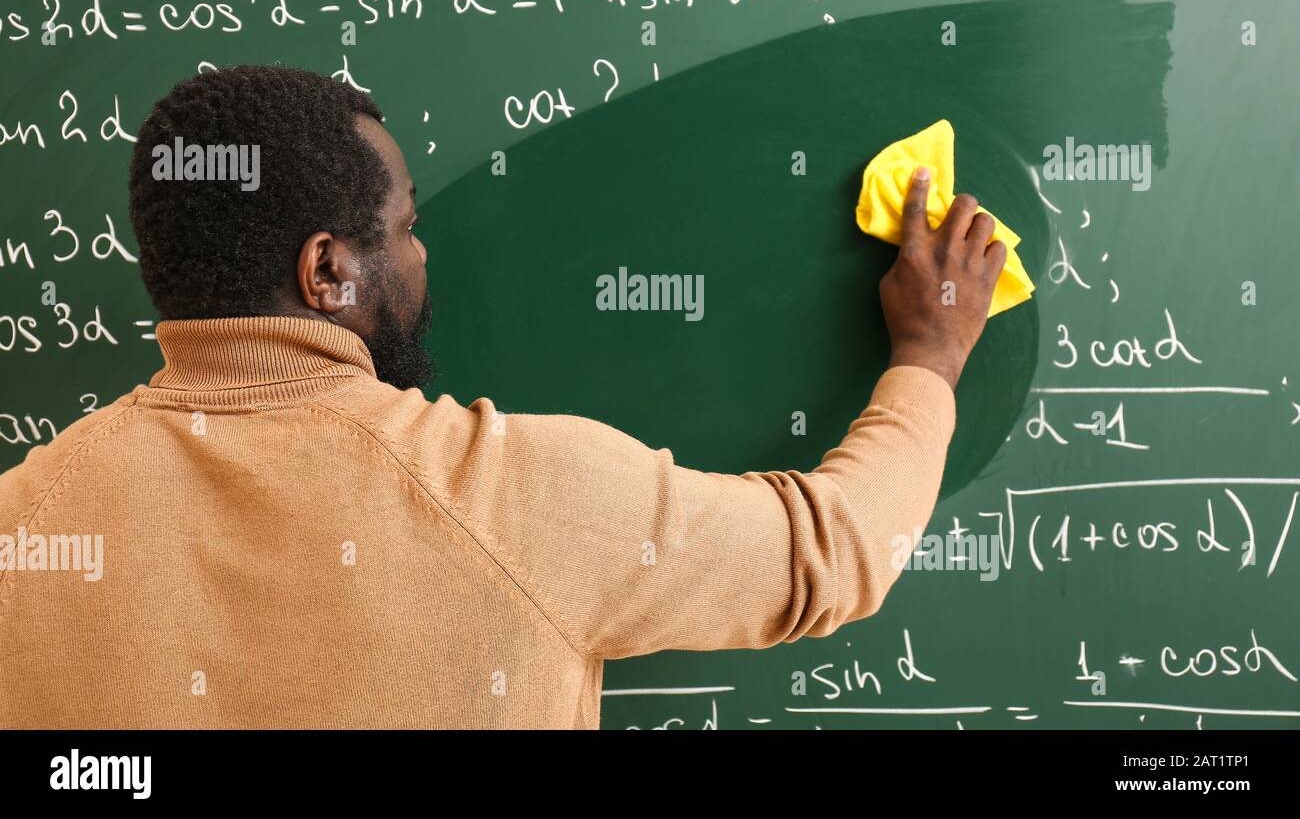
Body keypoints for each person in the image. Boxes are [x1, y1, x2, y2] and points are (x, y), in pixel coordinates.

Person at [0, 65, 1005, 728]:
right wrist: (930, 351)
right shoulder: (518, 498)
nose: (422, 253)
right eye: (406, 227)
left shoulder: (23, 524)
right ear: (328, 272)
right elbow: (833, 548)